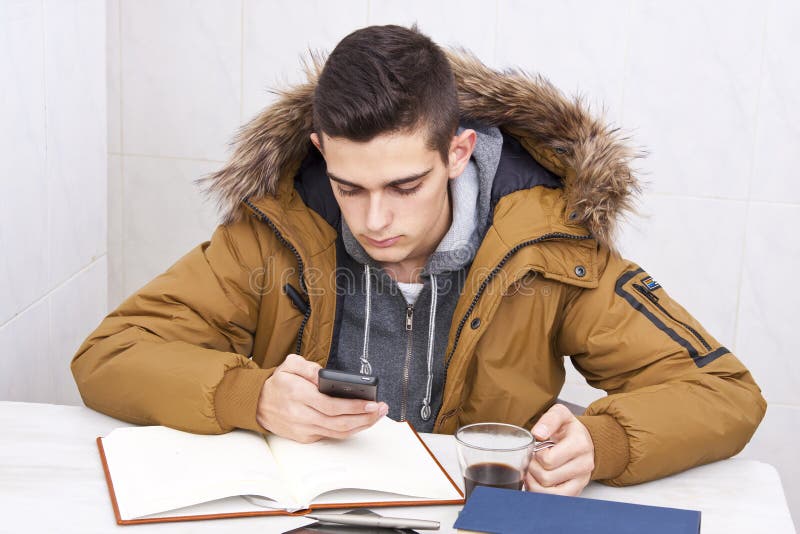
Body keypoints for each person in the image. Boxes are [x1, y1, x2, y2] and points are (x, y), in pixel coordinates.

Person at [72, 24, 765, 495]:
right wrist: (248, 395)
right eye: (350, 187)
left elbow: (725, 394)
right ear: (320, 152)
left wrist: (603, 441)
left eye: (405, 186)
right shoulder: (273, 232)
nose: (375, 221)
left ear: (457, 153)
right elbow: (110, 354)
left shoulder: (554, 245)